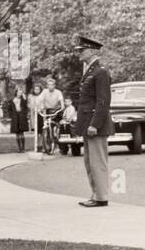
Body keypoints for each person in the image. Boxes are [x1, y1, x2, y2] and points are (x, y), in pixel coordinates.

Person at [74, 36, 112, 208]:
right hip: (88, 122)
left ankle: (101, 196)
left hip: (95, 124)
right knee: (90, 162)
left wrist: (94, 124)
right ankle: (96, 194)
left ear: (91, 51)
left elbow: (103, 101)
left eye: (81, 50)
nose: (79, 53)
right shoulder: (91, 71)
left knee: (98, 162)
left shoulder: (100, 71)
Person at [35, 75, 65, 153]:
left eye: (52, 85)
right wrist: (38, 107)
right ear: (47, 85)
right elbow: (39, 100)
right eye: (49, 85)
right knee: (47, 126)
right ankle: (46, 145)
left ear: (54, 85)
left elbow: (61, 101)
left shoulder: (58, 92)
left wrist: (62, 106)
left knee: (59, 126)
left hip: (57, 110)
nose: (50, 86)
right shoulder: (44, 92)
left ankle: (61, 144)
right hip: (48, 110)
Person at [8, 88, 29, 153]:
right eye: (19, 92)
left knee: (22, 132)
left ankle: (23, 148)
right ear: (16, 93)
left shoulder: (23, 100)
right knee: (17, 133)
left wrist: (24, 115)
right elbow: (9, 109)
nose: (20, 94)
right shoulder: (12, 100)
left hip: (22, 117)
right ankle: (19, 148)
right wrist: (12, 116)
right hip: (15, 118)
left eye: (21, 92)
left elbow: (26, 108)